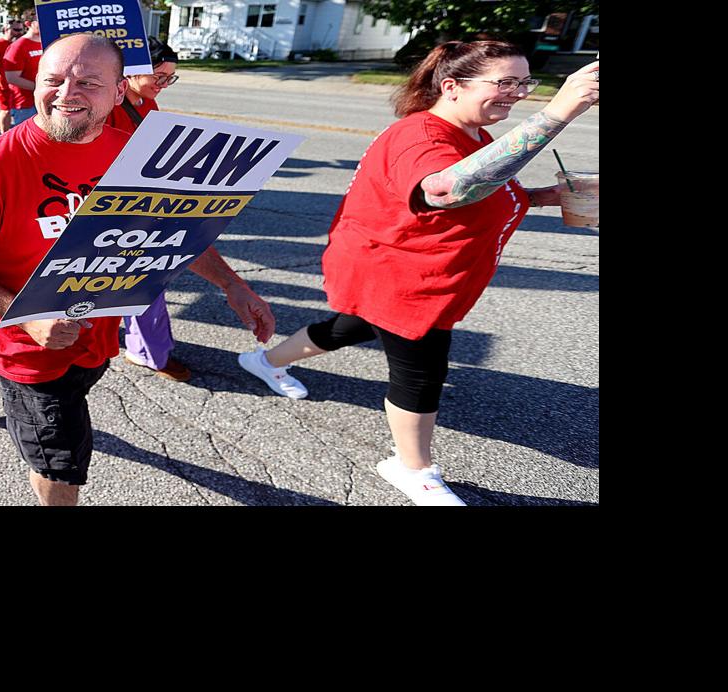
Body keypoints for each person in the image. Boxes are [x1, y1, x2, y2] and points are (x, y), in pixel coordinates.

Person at [236, 42, 599, 506]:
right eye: (505, 82)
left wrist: (548, 195)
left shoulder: (473, 133)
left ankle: (264, 362)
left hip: (407, 270)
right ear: (451, 86)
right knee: (421, 374)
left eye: (524, 82)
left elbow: (484, 185)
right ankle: (413, 469)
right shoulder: (421, 136)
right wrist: (557, 112)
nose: (519, 93)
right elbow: (449, 189)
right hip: (401, 277)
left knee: (348, 328)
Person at [0, 34, 275, 507]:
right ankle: (2, 386)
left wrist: (233, 285)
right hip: (24, 345)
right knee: (61, 465)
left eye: (89, 81)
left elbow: (175, 230)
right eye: (53, 79)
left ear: (118, 91)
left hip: (96, 330)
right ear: (35, 86)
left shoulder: (136, 155)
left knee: (75, 385)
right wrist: (26, 316)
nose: (67, 92)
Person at [98, 40, 196, 381]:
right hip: (112, 203)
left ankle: (144, 348)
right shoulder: (110, 102)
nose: (162, 84)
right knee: (143, 279)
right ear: (132, 69)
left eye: (170, 78)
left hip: (142, 199)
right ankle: (149, 352)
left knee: (139, 278)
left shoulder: (148, 101)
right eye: (157, 75)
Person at [0, 10, 41, 128]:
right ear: (28, 24)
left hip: (45, 101)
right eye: (39, 20)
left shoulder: (46, 43)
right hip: (25, 104)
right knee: (27, 139)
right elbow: (12, 77)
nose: (44, 23)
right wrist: (39, 87)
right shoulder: (18, 46)